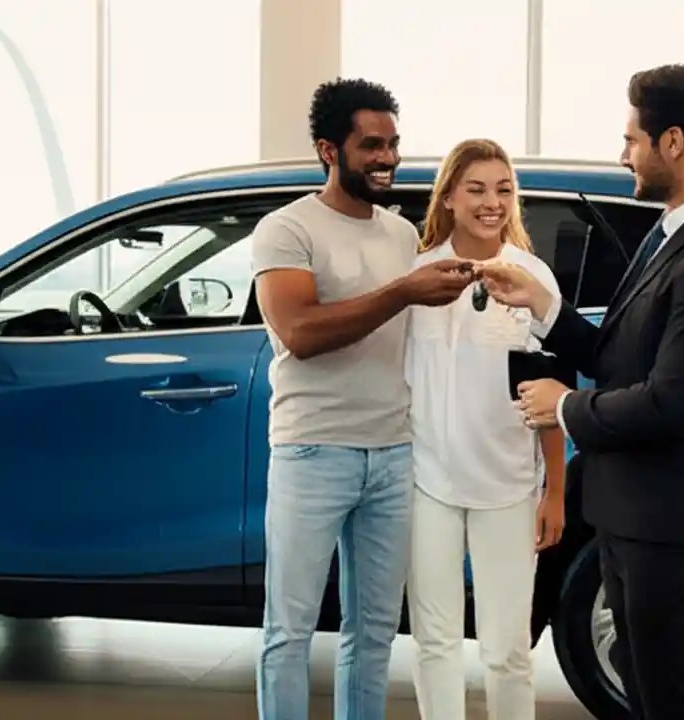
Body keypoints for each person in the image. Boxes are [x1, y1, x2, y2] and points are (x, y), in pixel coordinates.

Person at [475, 64, 684, 719]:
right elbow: (618, 357)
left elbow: (672, 403)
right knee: (647, 694)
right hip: (632, 517)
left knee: (677, 702)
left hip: (672, 526)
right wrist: (544, 306)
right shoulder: (672, 234)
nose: (622, 153)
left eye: (631, 138)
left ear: (672, 143)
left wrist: (565, 407)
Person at [250, 77, 475, 720]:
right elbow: (300, 332)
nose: (387, 158)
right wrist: (402, 292)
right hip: (312, 452)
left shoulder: (401, 236)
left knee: (374, 633)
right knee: (289, 632)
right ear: (329, 150)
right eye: (371, 144)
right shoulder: (286, 229)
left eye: (393, 144)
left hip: (393, 454)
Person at [404, 139, 567, 720]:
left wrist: (555, 493)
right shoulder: (417, 276)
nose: (490, 202)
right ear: (448, 197)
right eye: (475, 189)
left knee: (507, 650)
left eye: (502, 189)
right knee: (436, 643)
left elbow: (550, 395)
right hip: (428, 486)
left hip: (509, 487)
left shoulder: (532, 277)